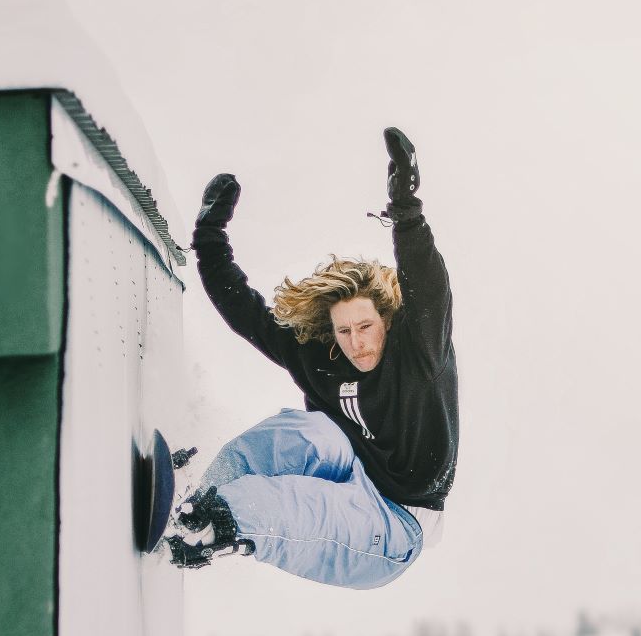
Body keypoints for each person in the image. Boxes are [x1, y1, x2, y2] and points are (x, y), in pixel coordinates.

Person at [167, 127, 458, 589]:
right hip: (349, 475)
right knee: (309, 431)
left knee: (305, 502)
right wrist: (208, 236)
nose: (356, 342)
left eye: (365, 328)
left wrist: (406, 209)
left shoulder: (418, 355)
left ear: (385, 321)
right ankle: (194, 500)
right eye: (344, 331)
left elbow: (429, 288)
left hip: (396, 526)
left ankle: (215, 525)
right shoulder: (321, 358)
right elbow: (248, 313)